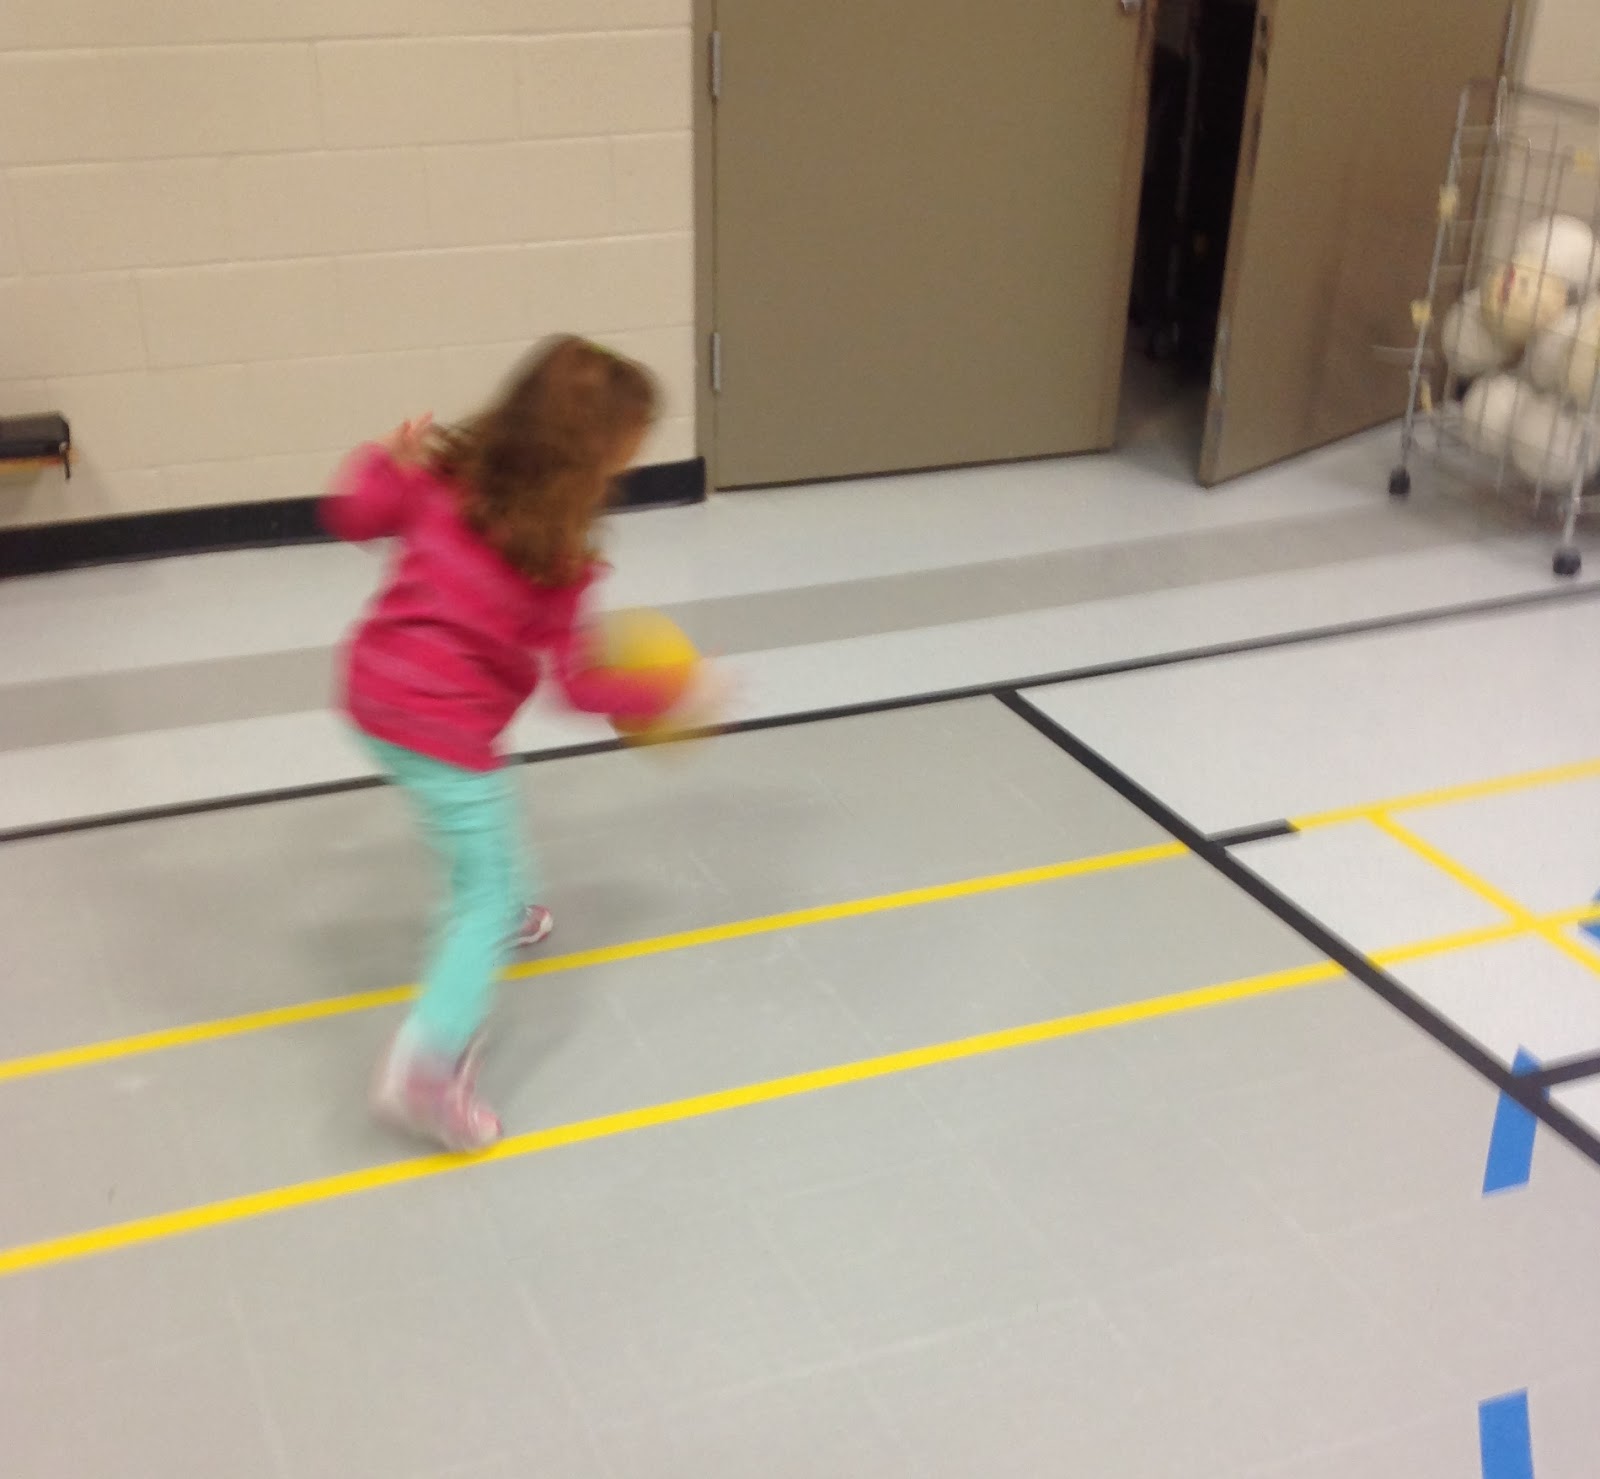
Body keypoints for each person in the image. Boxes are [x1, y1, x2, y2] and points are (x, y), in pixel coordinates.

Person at [322, 336, 680, 1153]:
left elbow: (351, 516)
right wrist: (664, 695)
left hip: (372, 694)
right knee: (473, 895)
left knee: (477, 815)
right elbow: (579, 687)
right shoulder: (557, 559)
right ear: (592, 462)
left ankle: (510, 905)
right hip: (443, 725)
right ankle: (427, 1065)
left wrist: (384, 462)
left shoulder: (444, 482)